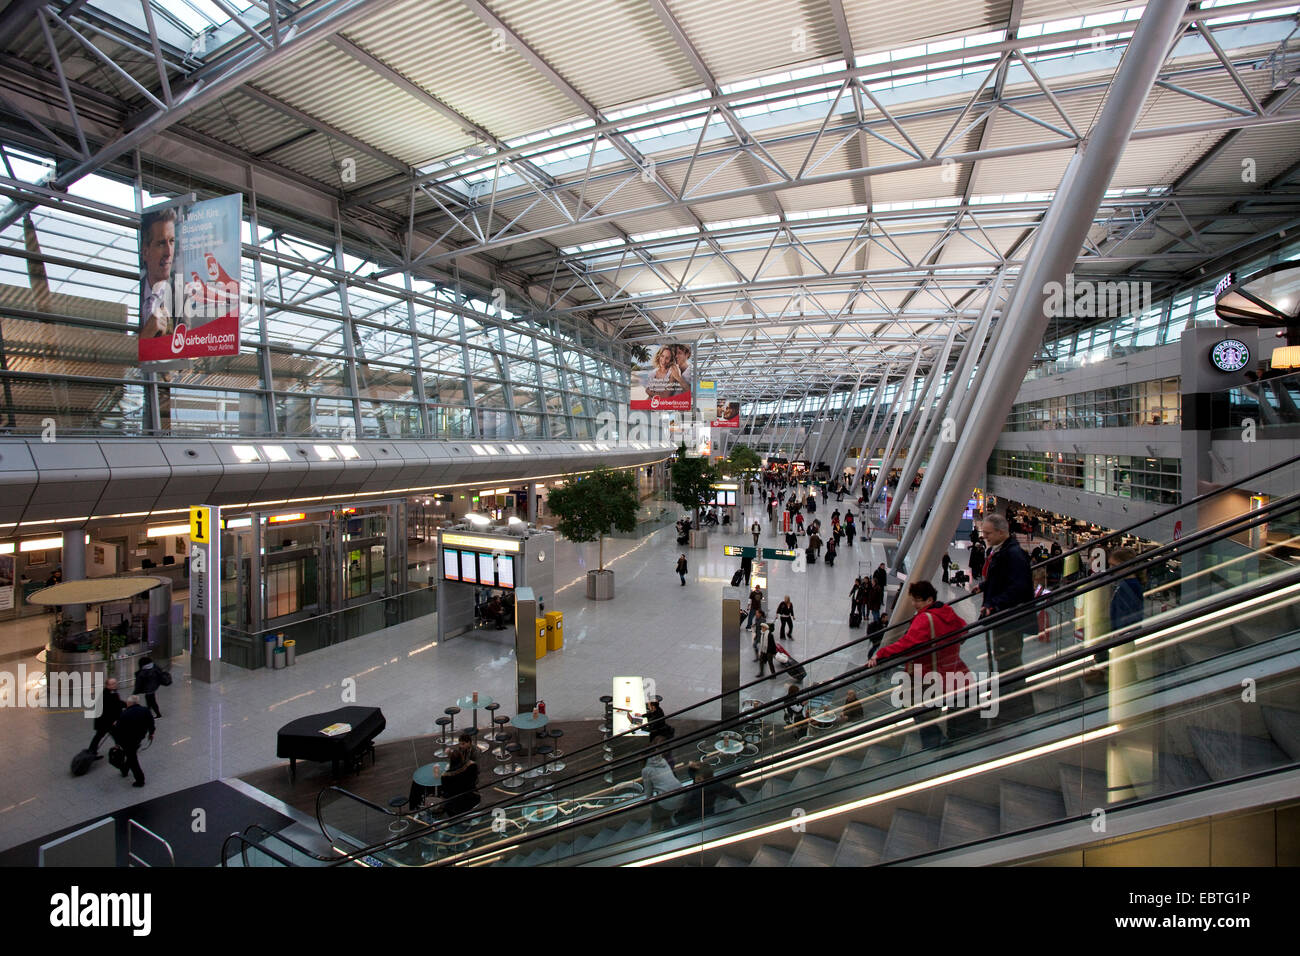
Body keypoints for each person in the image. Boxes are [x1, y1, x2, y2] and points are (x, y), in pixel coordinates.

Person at [870, 581, 972, 749]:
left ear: (929, 600)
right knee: (929, 711)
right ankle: (942, 743)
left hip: (924, 675)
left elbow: (906, 644)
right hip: (948, 671)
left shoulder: (924, 619)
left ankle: (936, 748)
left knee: (920, 713)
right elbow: (963, 630)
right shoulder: (946, 611)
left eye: (917, 600)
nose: (913, 604)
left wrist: (880, 654)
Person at [975, 514, 1035, 721]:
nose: (985, 537)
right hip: (1005, 616)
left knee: (1009, 659)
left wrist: (994, 603)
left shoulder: (1013, 555)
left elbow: (1019, 586)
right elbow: (1003, 578)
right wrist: (984, 586)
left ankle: (1014, 703)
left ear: (1002, 532)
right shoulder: (1004, 551)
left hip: (1010, 618)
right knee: (1004, 658)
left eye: (988, 533)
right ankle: (1007, 697)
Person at [139, 206, 176, 339]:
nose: (169, 252)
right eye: (161, 243)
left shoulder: (184, 297)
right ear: (145, 252)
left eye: (171, 241)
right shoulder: (134, 292)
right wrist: (146, 335)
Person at [674, 761, 747, 824]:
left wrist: (678, 816)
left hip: (700, 811)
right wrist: (743, 801)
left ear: (700, 778)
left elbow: (731, 792)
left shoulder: (709, 786)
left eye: (697, 778)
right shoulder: (713, 783)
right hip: (706, 810)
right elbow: (732, 792)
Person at [110, 695, 155, 787]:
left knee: (132, 759)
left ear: (129, 703)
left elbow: (118, 730)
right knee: (131, 754)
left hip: (127, 740)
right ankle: (124, 770)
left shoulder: (124, 714)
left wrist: (117, 743)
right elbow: (151, 723)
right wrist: (151, 733)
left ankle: (140, 780)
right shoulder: (145, 710)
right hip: (139, 737)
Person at [437, 746, 481, 818]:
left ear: (450, 759)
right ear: (462, 757)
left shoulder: (445, 776)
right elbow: (475, 780)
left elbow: (445, 791)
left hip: (455, 804)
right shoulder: (472, 766)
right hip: (472, 797)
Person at [642, 750, 686, 820]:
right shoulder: (663, 761)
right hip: (681, 792)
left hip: (668, 801)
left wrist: (650, 808)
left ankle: (664, 825)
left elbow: (649, 792)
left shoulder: (646, 770)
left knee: (656, 807)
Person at [88, 677, 123, 754]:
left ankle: (91, 751)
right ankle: (91, 751)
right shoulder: (107, 695)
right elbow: (110, 709)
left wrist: (126, 704)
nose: (115, 685)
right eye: (113, 684)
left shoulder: (111, 693)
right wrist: (114, 720)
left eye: (115, 683)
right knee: (105, 735)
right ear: (108, 686)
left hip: (104, 721)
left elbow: (117, 703)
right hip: (106, 722)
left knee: (100, 736)